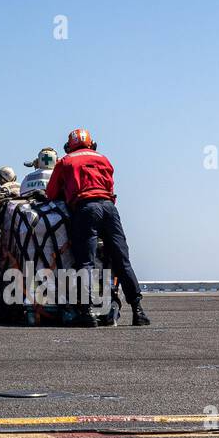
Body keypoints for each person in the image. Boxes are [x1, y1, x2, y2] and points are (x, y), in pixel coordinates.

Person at [45, 128, 149, 326]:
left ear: (69, 146)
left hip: (86, 209)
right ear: (92, 144)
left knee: (86, 262)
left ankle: (87, 312)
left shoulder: (65, 162)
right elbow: (110, 187)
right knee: (122, 260)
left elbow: (51, 193)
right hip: (109, 208)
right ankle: (138, 310)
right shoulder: (103, 159)